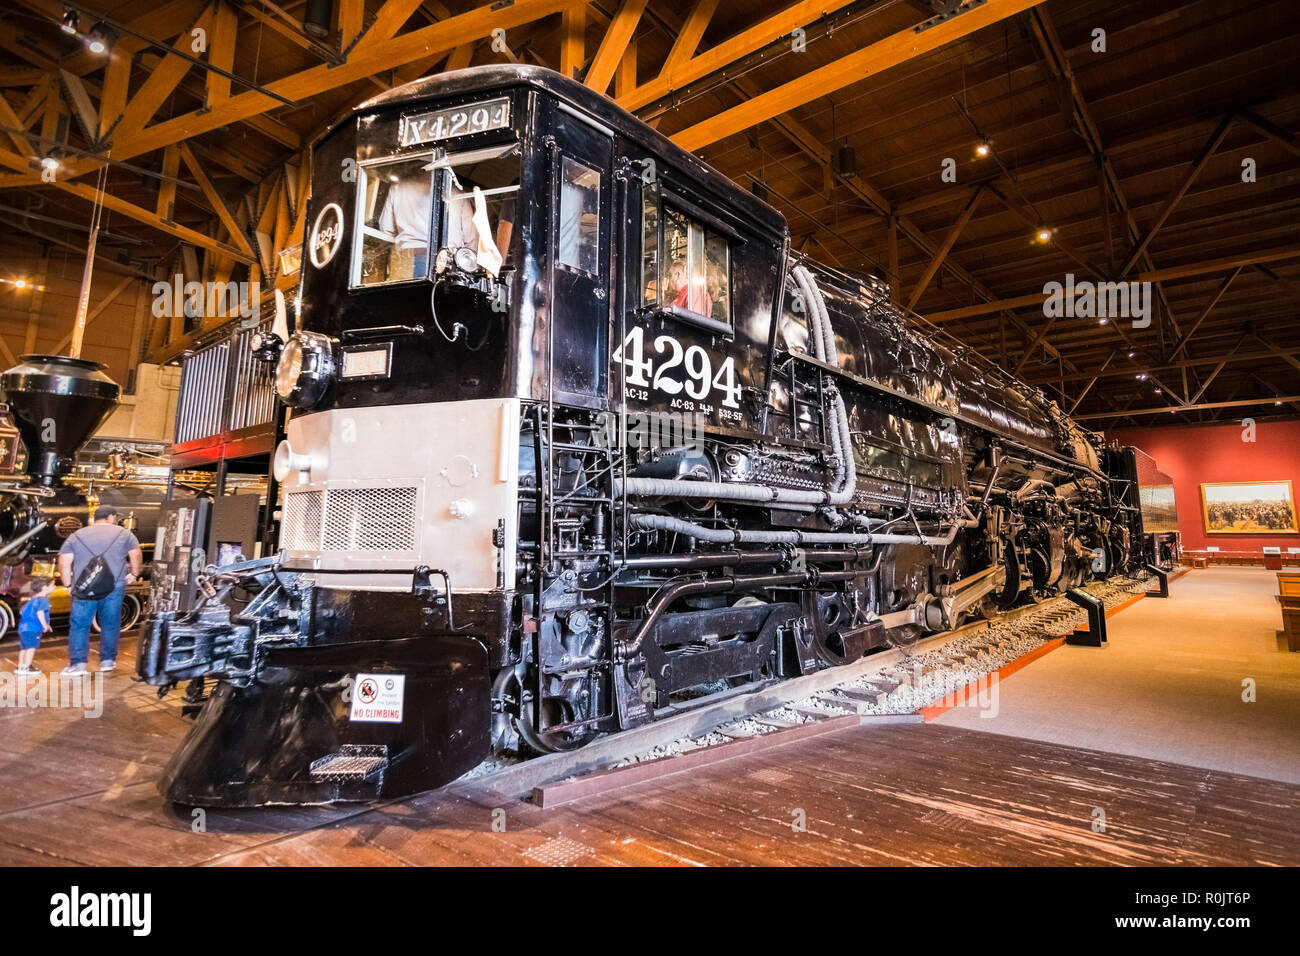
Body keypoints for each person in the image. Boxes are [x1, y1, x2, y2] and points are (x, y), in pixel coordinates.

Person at [57, 505, 142, 675]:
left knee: (80, 625)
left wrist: (67, 584)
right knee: (110, 624)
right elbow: (136, 555)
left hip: (85, 588)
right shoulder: (124, 534)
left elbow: (64, 561)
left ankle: (78, 665)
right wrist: (134, 573)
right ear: (111, 517)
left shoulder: (77, 535)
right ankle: (108, 661)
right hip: (114, 587)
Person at [14, 576, 54, 676]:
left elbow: (23, 611)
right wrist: (45, 625)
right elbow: (40, 613)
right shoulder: (43, 600)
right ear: (45, 587)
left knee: (24, 648)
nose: (55, 587)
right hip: (33, 628)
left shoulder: (32, 599)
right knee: (31, 648)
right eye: (53, 585)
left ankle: (21, 666)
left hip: (23, 628)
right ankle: (28, 667)